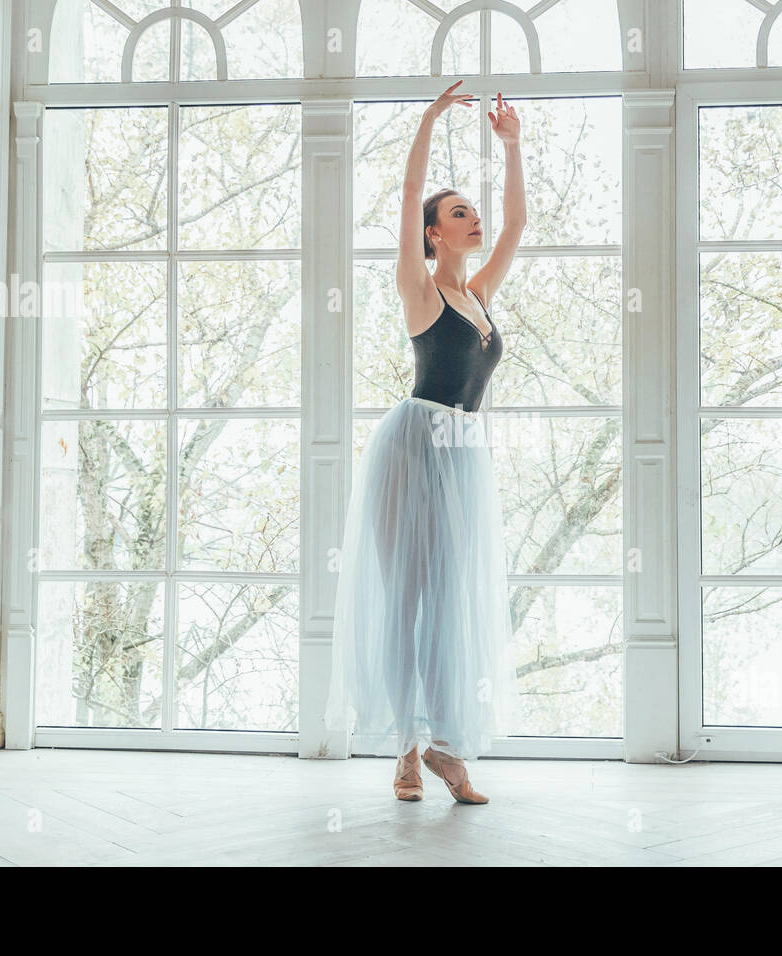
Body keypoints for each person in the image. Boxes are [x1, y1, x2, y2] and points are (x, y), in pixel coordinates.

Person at [325, 84, 527, 804]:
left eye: (472, 211)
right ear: (433, 232)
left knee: (451, 596)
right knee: (405, 593)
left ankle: (447, 747)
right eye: (460, 213)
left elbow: (517, 228)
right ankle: (405, 750)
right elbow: (410, 189)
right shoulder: (420, 288)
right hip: (413, 448)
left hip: (464, 452)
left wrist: (511, 146)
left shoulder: (480, 295)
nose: (476, 221)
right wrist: (430, 120)